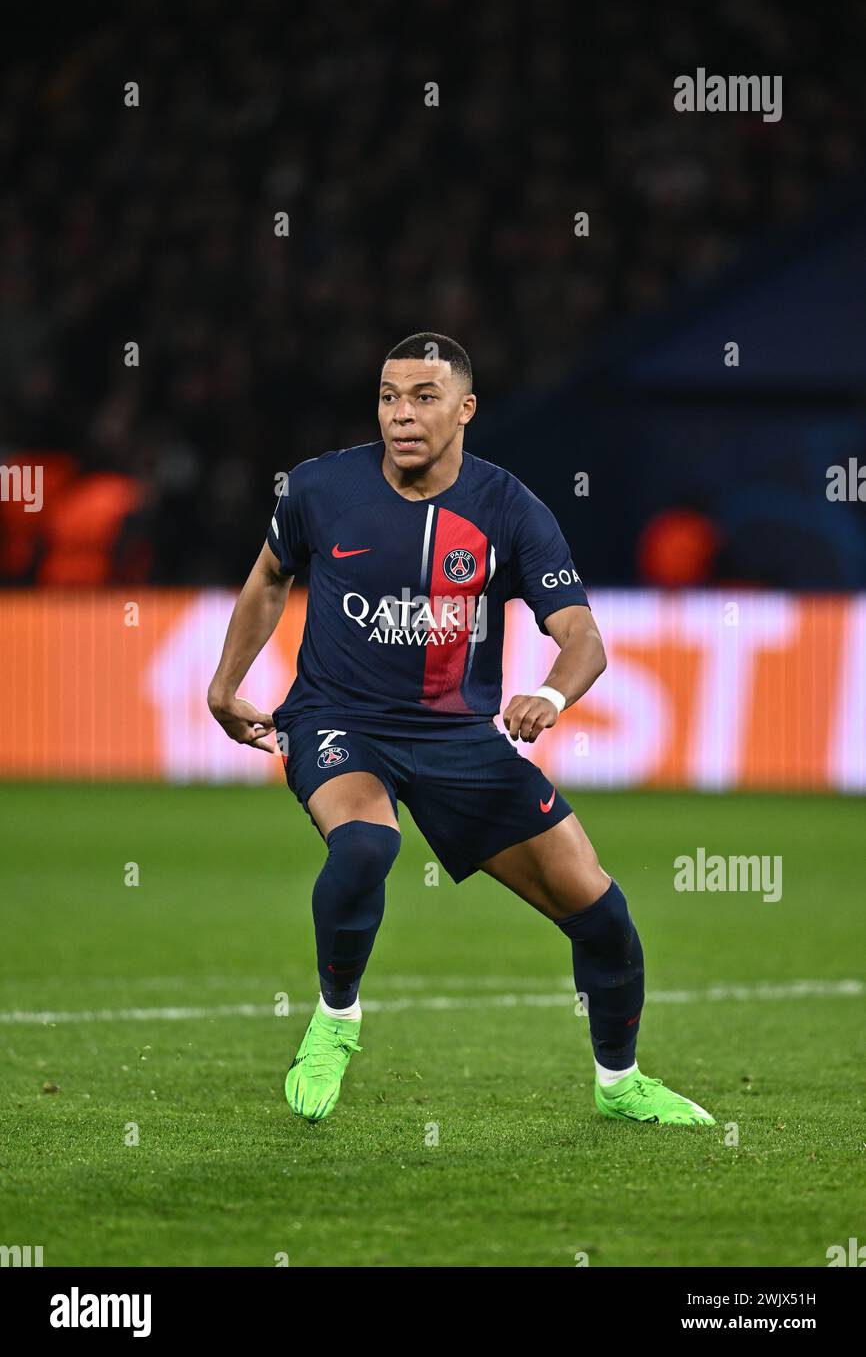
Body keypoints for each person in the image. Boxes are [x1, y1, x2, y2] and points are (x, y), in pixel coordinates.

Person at [208, 332, 715, 1128]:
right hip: (339, 719)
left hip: (457, 739)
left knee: (603, 916)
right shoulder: (317, 489)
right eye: (388, 396)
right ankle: (336, 1020)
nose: (401, 415)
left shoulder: (509, 509)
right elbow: (272, 576)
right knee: (368, 844)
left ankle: (619, 1083)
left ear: (466, 408)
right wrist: (224, 685)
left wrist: (549, 693)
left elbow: (582, 637)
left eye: (424, 397)